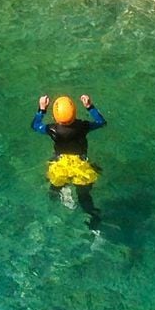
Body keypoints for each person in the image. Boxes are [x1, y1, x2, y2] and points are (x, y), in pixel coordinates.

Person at [35, 92, 106, 227]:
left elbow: (35, 125)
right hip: (80, 166)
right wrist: (90, 107)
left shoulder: (52, 129)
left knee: (54, 187)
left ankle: (59, 198)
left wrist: (41, 109)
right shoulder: (83, 126)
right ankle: (93, 219)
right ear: (74, 112)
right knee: (84, 196)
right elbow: (101, 122)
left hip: (61, 165)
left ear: (55, 116)